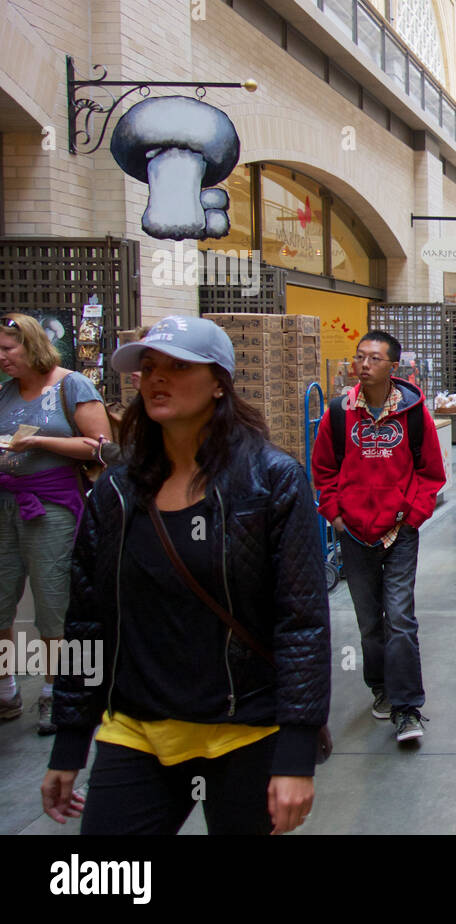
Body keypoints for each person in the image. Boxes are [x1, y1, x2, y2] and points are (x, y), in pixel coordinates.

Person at [41, 316, 330, 834]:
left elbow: (302, 623)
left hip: (244, 729)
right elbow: (87, 620)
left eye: (178, 366)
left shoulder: (270, 482)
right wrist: (70, 739)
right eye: (149, 367)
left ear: (219, 381)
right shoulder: (118, 491)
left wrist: (296, 754)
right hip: (137, 730)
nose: (157, 379)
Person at [311, 329, 446, 744]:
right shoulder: (338, 413)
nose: (364, 364)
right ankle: (381, 687)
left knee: (400, 618)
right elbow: (323, 471)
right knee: (369, 622)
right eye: (359, 357)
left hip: (399, 533)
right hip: (353, 533)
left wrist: (413, 517)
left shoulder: (413, 414)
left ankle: (407, 708)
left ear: (392, 366)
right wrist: (334, 515)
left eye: (374, 358)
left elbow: (430, 473)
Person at [0, 313, 111, 735]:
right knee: (1, 599)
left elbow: (101, 448)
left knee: (52, 600)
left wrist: (39, 441)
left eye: (8, 349)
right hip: (4, 503)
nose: (3, 357)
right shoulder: (5, 393)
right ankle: (6, 686)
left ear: (31, 345)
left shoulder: (71, 386)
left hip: (51, 505)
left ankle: (55, 689)